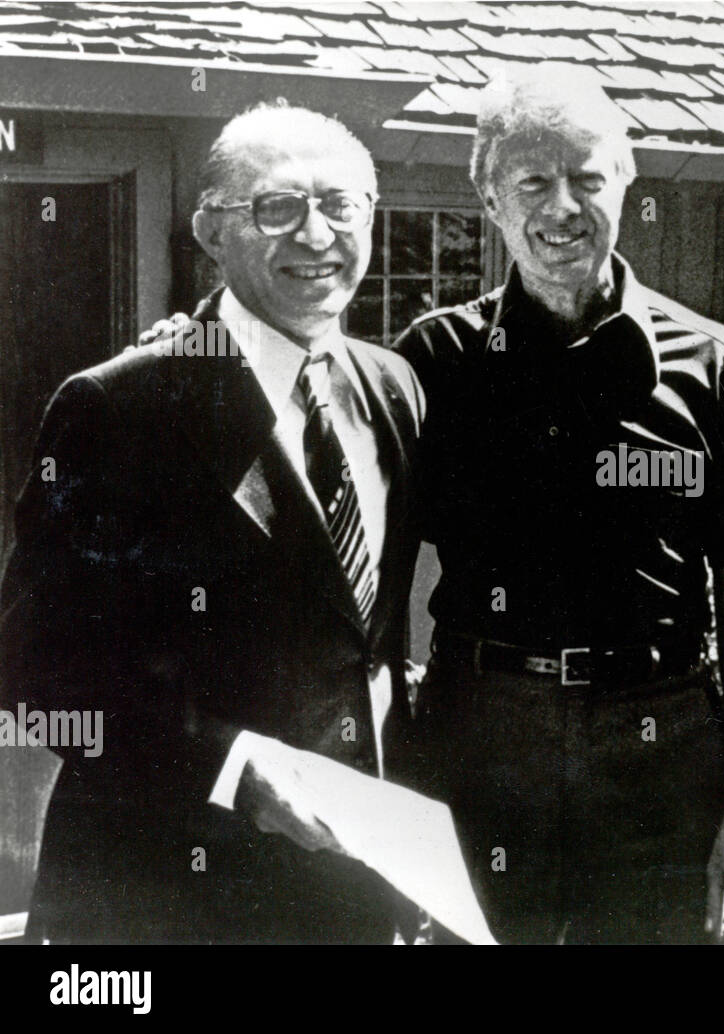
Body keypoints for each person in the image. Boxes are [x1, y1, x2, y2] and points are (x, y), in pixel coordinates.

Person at [0, 102, 426, 943]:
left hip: (352, 893)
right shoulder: (118, 406)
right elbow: (33, 673)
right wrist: (234, 767)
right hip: (164, 895)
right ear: (210, 230)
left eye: (342, 205)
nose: (317, 236)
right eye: (277, 207)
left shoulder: (390, 389)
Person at [395, 71, 724, 944]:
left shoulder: (714, 364)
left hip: (659, 743)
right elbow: (375, 586)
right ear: (491, 197)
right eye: (534, 183)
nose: (563, 208)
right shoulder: (434, 361)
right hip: (486, 736)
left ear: (627, 183)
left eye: (588, 179)